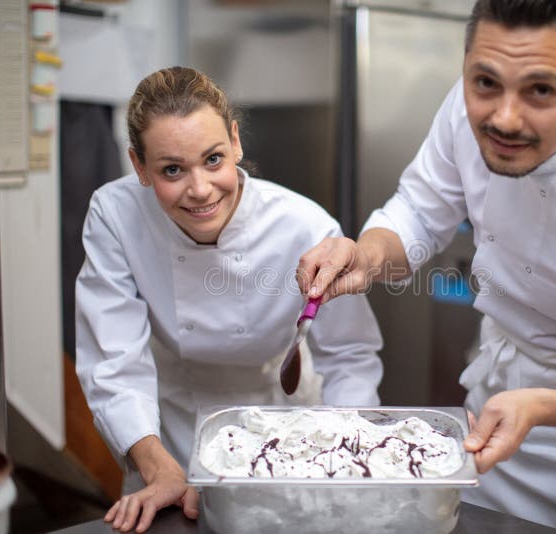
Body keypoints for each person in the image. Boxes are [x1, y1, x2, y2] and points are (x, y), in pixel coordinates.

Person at [297, 1, 556, 532]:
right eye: (484, 82)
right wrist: (365, 253)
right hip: (485, 423)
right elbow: (420, 210)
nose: (504, 118)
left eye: (540, 90)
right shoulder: (469, 110)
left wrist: (540, 406)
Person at [75, 66, 383, 533]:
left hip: (289, 446)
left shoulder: (303, 225)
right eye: (172, 170)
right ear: (139, 166)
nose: (200, 189)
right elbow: (114, 359)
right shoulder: (115, 214)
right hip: (166, 442)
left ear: (235, 142)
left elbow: (350, 356)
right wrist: (159, 468)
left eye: (214, 159)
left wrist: (337, 458)